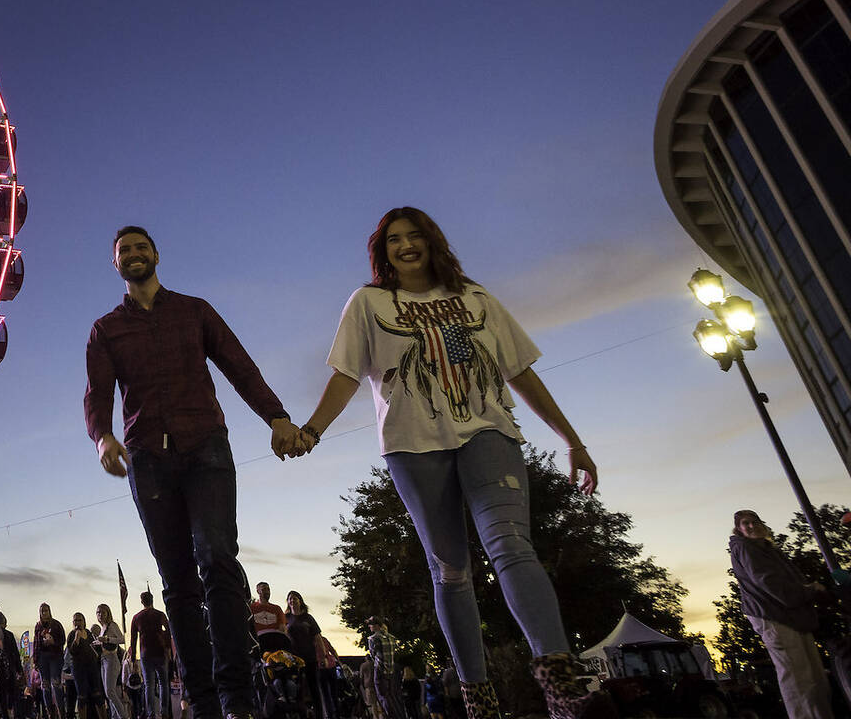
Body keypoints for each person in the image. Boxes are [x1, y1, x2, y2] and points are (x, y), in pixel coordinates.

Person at [295, 207, 609, 719]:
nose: (405, 245)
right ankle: (478, 696)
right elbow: (347, 375)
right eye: (394, 239)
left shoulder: (473, 298)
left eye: (415, 235)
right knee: (451, 570)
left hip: (488, 433)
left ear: (433, 241)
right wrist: (312, 429)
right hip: (413, 446)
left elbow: (518, 372)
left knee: (510, 544)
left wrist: (571, 439)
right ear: (383, 251)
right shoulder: (370, 303)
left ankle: (563, 686)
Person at [85, 227, 302, 719]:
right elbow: (96, 394)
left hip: (206, 446)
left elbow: (238, 365)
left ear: (157, 255)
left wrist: (277, 416)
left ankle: (237, 698)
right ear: (114, 265)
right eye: (125, 251)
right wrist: (101, 436)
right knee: (178, 581)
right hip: (148, 459)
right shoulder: (105, 330)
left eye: (142, 247)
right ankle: (203, 701)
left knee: (218, 559)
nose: (134, 255)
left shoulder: (195, 310)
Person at [731, 508, 832, 719]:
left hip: (792, 616)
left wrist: (811, 589)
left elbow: (790, 580)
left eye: (755, 521)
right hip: (773, 617)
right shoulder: (746, 549)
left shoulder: (767, 549)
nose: (751, 525)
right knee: (799, 680)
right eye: (745, 523)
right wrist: (809, 591)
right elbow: (769, 583)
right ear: (739, 530)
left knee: (816, 677)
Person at [125, 592, 169, 719]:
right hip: (160, 651)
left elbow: (133, 639)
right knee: (163, 683)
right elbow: (167, 631)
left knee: (149, 684)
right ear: (152, 600)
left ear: (141, 601)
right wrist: (167, 648)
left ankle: (151, 714)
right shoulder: (160, 615)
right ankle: (164, 712)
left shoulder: (137, 617)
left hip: (145, 653)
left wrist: (133, 658)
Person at [283, 592, 324, 719]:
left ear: (300, 601)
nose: (292, 601)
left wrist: (322, 656)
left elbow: (318, 638)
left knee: (314, 688)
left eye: (294, 598)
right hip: (293, 660)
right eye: (290, 599)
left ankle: (319, 715)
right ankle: (302, 715)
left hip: (309, 658)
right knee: (297, 689)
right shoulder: (286, 618)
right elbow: (282, 636)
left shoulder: (308, 618)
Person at [29, 605, 64, 719]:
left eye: (46, 610)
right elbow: (35, 643)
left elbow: (62, 640)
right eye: (42, 611)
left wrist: (53, 642)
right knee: (45, 685)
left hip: (55, 656)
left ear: (49, 611)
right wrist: (35, 660)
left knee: (56, 683)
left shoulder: (56, 624)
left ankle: (61, 713)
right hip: (42, 657)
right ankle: (50, 713)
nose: (44, 613)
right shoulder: (38, 626)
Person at [92, 605, 127, 719]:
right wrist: (97, 643)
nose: (100, 615)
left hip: (111, 659)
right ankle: (115, 716)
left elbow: (122, 639)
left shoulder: (112, 625)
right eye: (98, 613)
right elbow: (104, 643)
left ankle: (123, 716)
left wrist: (107, 639)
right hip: (103, 659)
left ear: (108, 613)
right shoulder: (102, 628)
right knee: (108, 693)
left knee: (110, 692)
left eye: (103, 612)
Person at [67, 613, 100, 719]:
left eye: (79, 620)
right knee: (82, 697)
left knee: (97, 694)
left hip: (92, 667)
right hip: (79, 669)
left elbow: (94, 647)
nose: (77, 623)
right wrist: (76, 639)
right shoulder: (72, 635)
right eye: (75, 621)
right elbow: (72, 651)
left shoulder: (89, 633)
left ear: (84, 621)